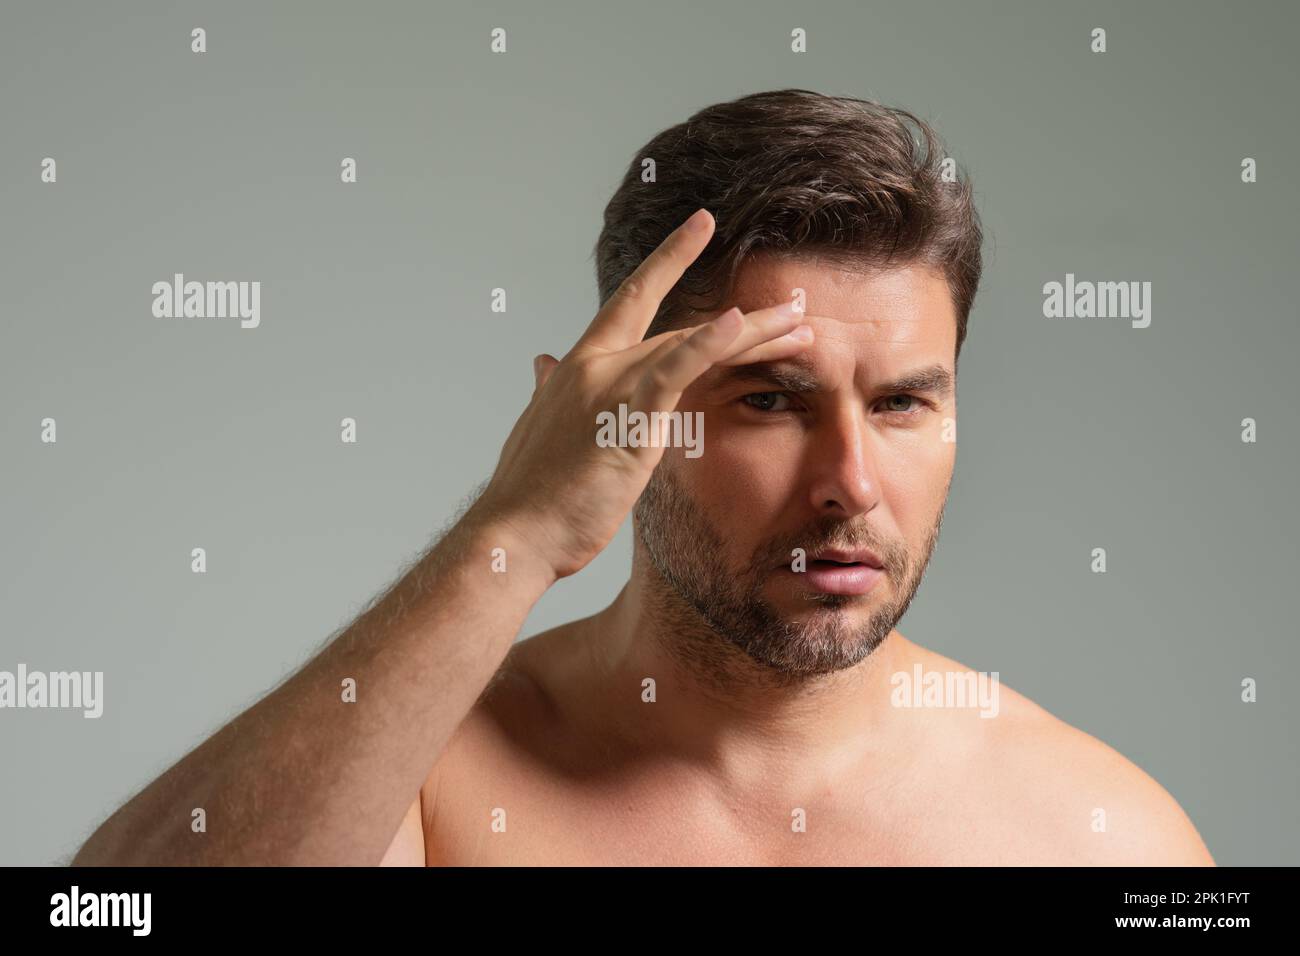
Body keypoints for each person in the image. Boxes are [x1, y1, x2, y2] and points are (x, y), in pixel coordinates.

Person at [73, 89, 1214, 866]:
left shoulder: (1098, 832)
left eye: (903, 401)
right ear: (614, 414)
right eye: (769, 398)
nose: (850, 481)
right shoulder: (438, 780)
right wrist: (511, 529)